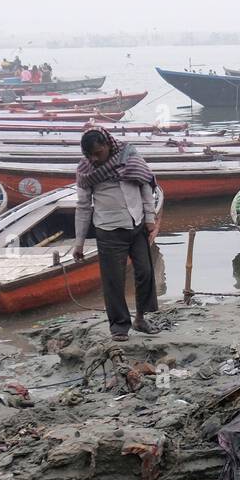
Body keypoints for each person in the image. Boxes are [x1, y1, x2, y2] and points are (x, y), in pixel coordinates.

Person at [71, 128, 159, 342]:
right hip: (108, 230)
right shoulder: (86, 171)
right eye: (90, 155)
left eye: (98, 153)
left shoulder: (130, 158)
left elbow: (146, 187)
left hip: (136, 225)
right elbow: (83, 207)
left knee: (146, 272)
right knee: (114, 281)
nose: (95, 159)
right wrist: (79, 243)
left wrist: (150, 219)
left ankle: (140, 318)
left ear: (108, 145)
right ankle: (119, 326)